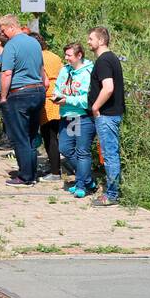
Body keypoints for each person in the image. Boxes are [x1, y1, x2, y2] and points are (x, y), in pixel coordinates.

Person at [0, 14, 46, 187]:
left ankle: (25, 176)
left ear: (11, 27)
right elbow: (41, 69)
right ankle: (32, 173)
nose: (3, 34)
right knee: (32, 135)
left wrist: (3, 97)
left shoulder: (12, 45)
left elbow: (7, 73)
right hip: (38, 91)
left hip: (20, 94)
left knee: (20, 136)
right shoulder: (34, 43)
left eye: (3, 31)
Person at [87, 26, 126, 206]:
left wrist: (95, 106)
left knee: (110, 154)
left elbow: (108, 87)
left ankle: (112, 194)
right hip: (112, 114)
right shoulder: (112, 58)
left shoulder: (103, 60)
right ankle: (113, 191)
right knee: (110, 153)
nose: (88, 42)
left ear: (101, 41)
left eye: (91, 39)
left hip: (107, 114)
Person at [53, 42, 96, 199]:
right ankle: (88, 179)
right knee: (65, 148)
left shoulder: (88, 73)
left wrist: (67, 100)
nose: (66, 58)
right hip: (69, 116)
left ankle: (81, 185)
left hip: (82, 116)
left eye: (69, 55)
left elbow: (88, 99)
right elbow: (57, 88)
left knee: (82, 151)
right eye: (66, 55)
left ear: (79, 56)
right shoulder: (65, 70)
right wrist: (56, 96)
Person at [32, 34, 63, 184]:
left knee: (49, 137)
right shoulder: (55, 56)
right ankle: (54, 166)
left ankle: (55, 171)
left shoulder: (39, 58)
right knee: (55, 136)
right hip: (59, 97)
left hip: (47, 99)